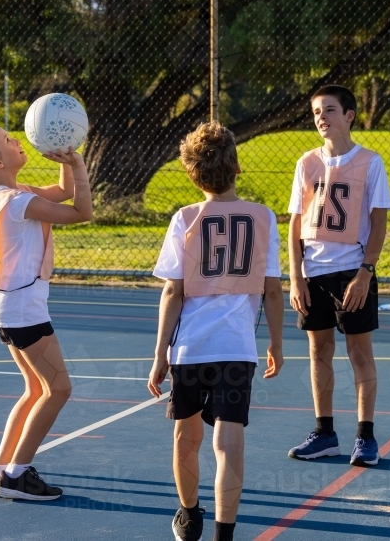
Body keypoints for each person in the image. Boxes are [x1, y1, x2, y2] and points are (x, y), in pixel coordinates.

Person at [148, 121, 284, 541]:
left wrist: (159, 354)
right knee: (228, 444)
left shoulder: (185, 218)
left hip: (190, 348)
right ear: (237, 167)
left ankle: (189, 516)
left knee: (186, 439)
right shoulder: (262, 217)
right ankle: (225, 534)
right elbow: (273, 291)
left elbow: (173, 290)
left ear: (192, 174)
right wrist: (276, 342)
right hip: (237, 349)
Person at [0, 120, 92, 501]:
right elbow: (82, 211)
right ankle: (17, 475)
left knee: (35, 388)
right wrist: (80, 165)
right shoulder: (18, 202)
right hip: (21, 308)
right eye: (8, 141)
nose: (18, 141)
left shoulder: (13, 194)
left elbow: (63, 191)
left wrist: (65, 154)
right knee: (59, 388)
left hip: (7, 306)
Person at [286, 84, 390, 467]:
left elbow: (378, 223)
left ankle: (365, 437)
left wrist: (365, 274)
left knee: (359, 352)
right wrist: (296, 276)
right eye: (316, 111)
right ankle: (325, 432)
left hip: (352, 272)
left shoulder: (370, 162)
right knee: (319, 351)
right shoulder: (307, 163)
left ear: (348, 115)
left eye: (329, 110)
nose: (321, 117)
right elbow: (295, 224)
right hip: (313, 272)